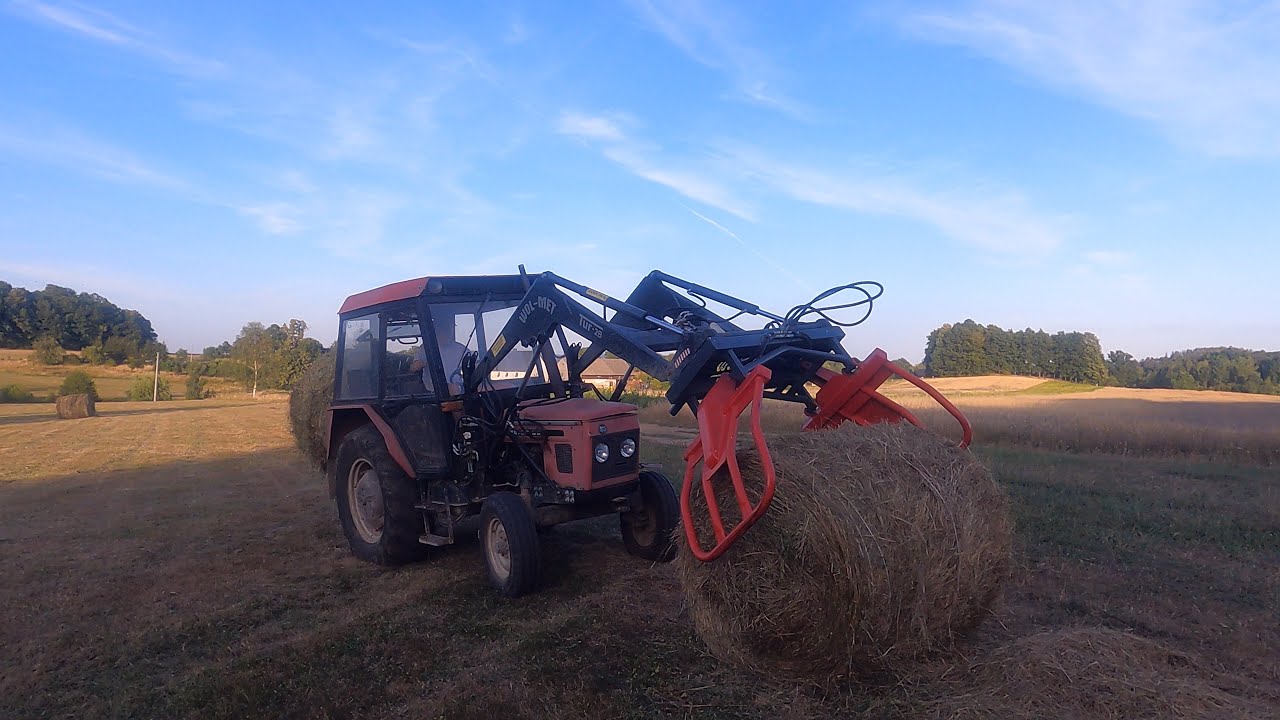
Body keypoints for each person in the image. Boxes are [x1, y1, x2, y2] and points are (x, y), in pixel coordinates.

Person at [411, 314, 469, 395]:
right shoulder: (425, 348)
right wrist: (417, 365)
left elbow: (474, 366)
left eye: (450, 329)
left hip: (460, 391)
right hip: (433, 394)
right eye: (445, 329)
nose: (448, 332)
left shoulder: (461, 349)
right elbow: (413, 368)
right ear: (436, 330)